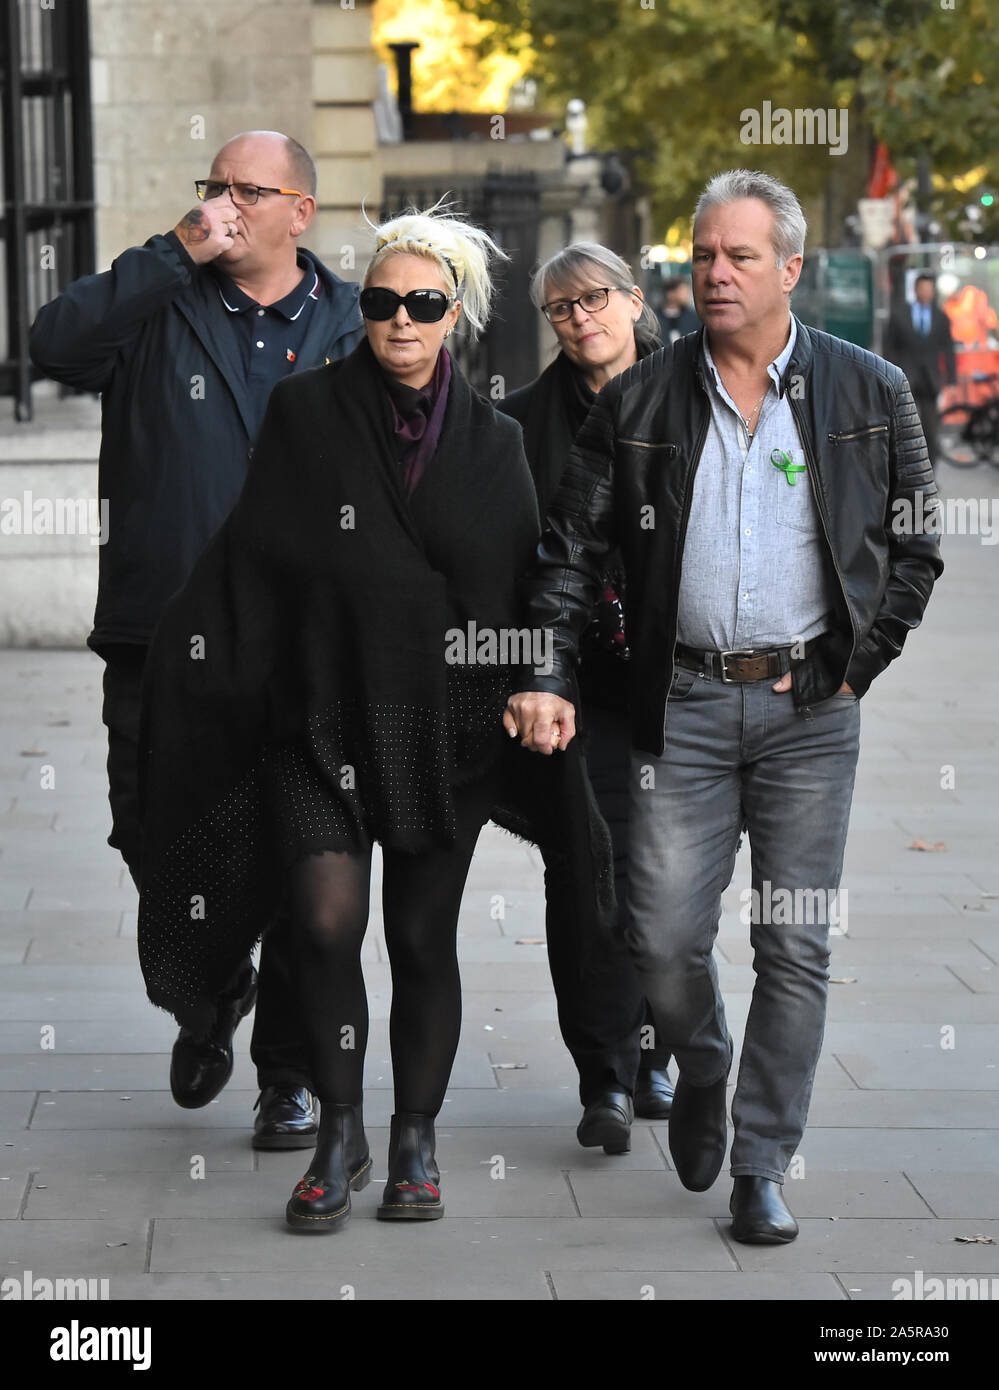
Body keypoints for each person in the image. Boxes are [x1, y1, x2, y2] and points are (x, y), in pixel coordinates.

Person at [135, 206, 613, 1233]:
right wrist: (200, 664)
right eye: (384, 301)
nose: (400, 319)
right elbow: (253, 557)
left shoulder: (494, 442)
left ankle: (415, 1144)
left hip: (449, 729)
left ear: (455, 317)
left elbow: (521, 586)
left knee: (419, 937)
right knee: (321, 922)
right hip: (319, 718)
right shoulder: (307, 413)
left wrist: (540, 684)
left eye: (423, 303)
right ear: (368, 310)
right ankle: (339, 1131)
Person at [505, 169, 942, 1244]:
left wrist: (857, 662)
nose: (715, 273)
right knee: (656, 936)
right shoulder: (642, 399)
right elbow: (570, 551)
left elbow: (918, 542)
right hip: (682, 704)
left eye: (739, 255)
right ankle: (701, 1061)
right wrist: (547, 674)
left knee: (795, 944)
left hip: (809, 711)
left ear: (790, 268)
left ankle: (761, 1162)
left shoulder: (868, 389)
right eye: (703, 255)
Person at [29, 130, 364, 1151]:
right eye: (211, 187)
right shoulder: (156, 298)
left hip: (303, 643)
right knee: (153, 837)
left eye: (247, 191)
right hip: (159, 634)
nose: (224, 203)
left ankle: (292, 1080)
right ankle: (214, 989)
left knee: (308, 856)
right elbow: (50, 345)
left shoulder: (353, 321)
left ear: (299, 211)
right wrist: (172, 250)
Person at [499, 242, 674, 1154]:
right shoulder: (522, 422)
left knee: (667, 873)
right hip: (579, 687)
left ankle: (656, 1045)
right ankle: (604, 1074)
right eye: (561, 309)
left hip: (683, 680)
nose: (579, 319)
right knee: (589, 871)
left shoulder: (696, 394)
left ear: (633, 300)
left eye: (594, 300)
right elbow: (512, 560)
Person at [883, 271, 957, 466]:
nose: (925, 292)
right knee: (904, 429)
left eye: (929, 288)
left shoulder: (941, 317)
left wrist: (951, 380)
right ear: (915, 290)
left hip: (931, 381)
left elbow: (948, 348)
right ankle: (903, 474)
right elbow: (889, 346)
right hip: (905, 377)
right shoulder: (900, 314)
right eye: (921, 288)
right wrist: (889, 375)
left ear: (933, 291)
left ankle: (929, 474)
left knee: (931, 431)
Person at [658, 277, 700, 344]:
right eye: (683, 292)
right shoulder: (655, 318)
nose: (687, 295)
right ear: (670, 294)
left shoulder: (693, 317)